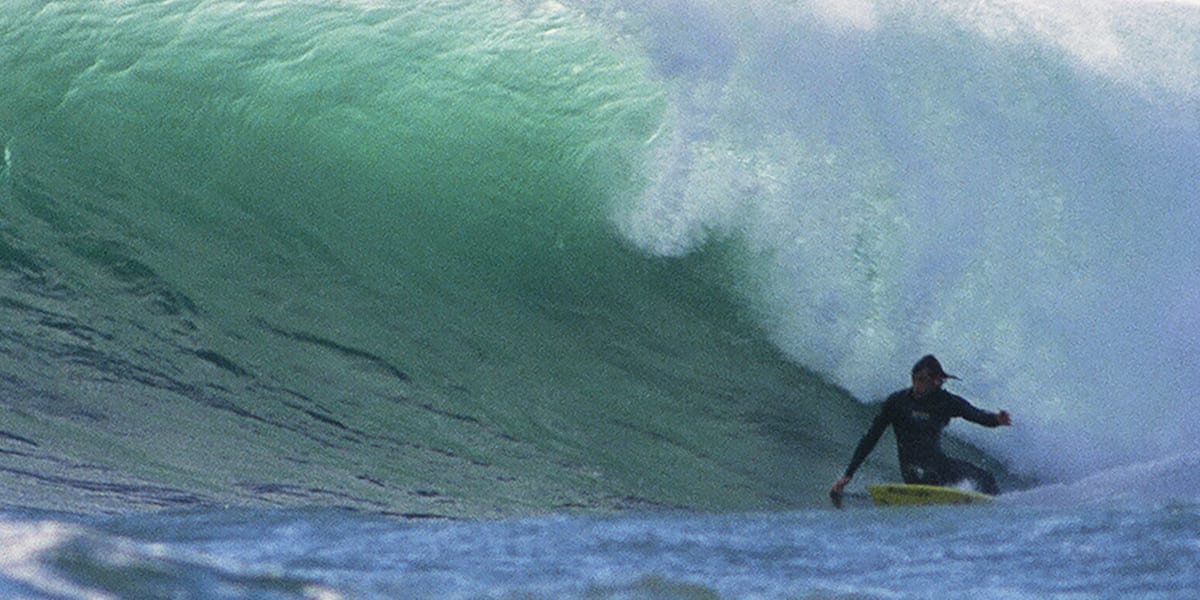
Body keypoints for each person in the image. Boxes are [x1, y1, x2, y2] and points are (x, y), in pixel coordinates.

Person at [830, 355, 1011, 503]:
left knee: (986, 478)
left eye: (922, 380)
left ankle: (994, 512)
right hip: (914, 471)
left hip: (938, 467)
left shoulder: (946, 402)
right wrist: (848, 474)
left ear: (937, 381)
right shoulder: (897, 402)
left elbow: (975, 414)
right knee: (932, 473)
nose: (916, 386)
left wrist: (996, 419)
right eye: (915, 379)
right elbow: (871, 437)